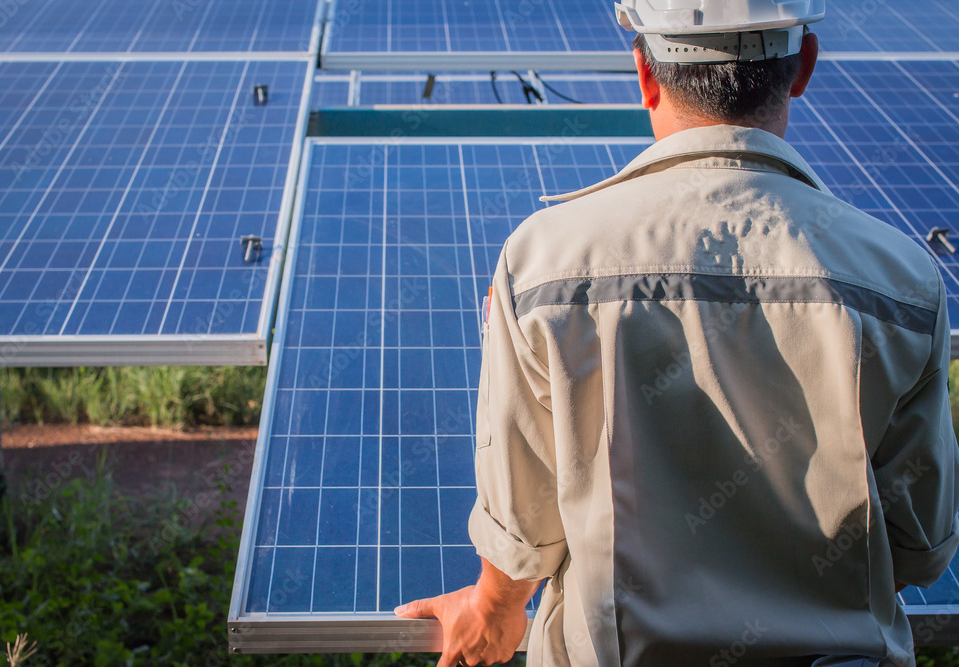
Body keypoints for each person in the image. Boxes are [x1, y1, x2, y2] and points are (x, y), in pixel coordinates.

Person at [396, 1, 959, 665]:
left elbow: (527, 524)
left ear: (644, 72)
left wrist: (493, 606)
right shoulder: (901, 280)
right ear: (804, 65)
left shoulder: (544, 262)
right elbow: (921, 542)